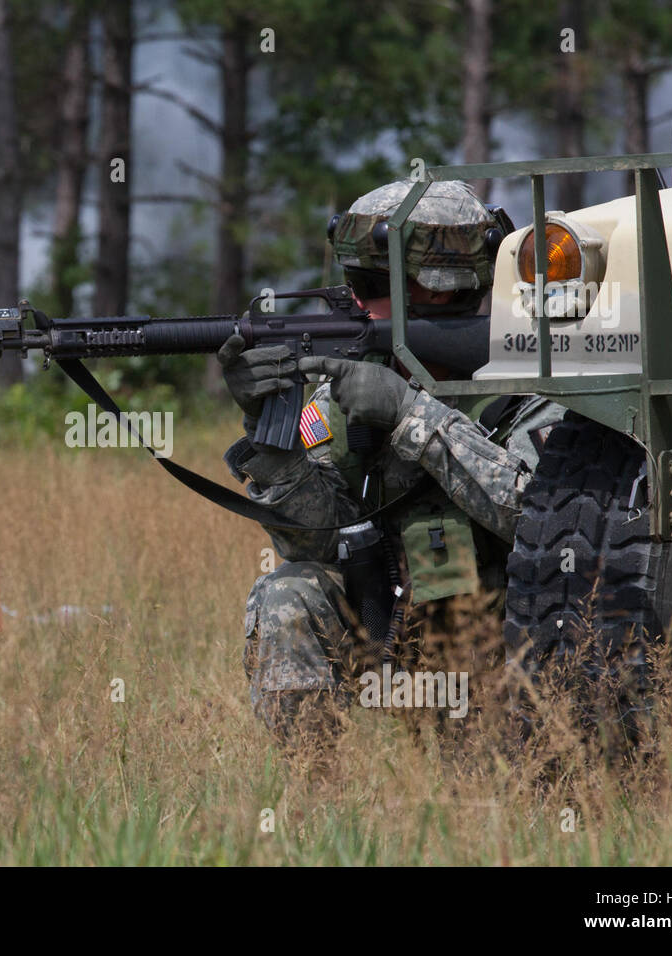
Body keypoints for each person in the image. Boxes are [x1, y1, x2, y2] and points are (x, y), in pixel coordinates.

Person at [219, 180, 566, 747]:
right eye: (350, 280)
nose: (354, 300)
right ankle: (317, 806)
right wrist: (272, 443)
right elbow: (316, 544)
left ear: (440, 290)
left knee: (478, 805)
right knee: (287, 594)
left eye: (371, 284)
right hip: (390, 627)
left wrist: (411, 414)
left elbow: (537, 518)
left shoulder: (534, 385)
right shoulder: (347, 389)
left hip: (504, 642)